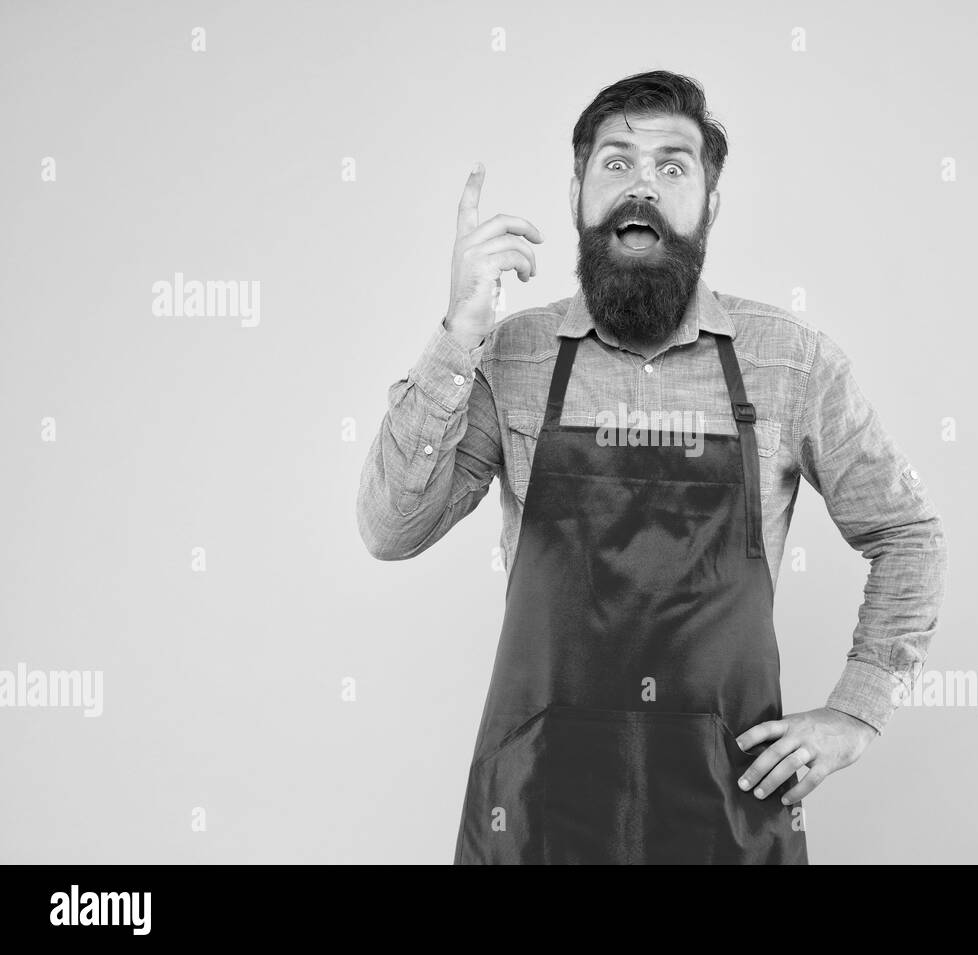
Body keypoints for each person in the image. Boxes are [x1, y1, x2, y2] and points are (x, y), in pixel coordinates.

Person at [356, 70, 948, 864]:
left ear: (710, 202)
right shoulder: (509, 358)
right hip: (536, 814)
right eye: (616, 163)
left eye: (673, 166)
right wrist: (458, 332)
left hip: (724, 813)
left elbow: (907, 534)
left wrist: (858, 712)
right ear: (577, 194)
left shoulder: (791, 364)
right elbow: (391, 527)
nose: (643, 186)